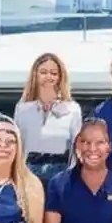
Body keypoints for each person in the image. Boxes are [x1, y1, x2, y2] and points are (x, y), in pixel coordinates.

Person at [14, 53, 81, 183]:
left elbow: (76, 149)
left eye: (54, 73)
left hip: (60, 172)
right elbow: (18, 146)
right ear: (35, 75)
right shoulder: (22, 109)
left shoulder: (72, 109)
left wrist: (72, 179)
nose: (49, 76)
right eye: (43, 72)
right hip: (29, 172)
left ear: (60, 77)